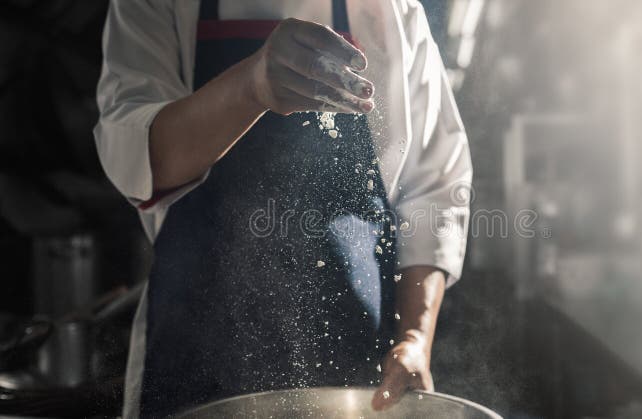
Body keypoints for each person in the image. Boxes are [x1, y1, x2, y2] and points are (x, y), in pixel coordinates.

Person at [94, 0, 472, 417]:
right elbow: (137, 158)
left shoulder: (392, 9)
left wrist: (414, 337)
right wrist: (250, 87)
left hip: (358, 374)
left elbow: (434, 186)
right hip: (196, 360)